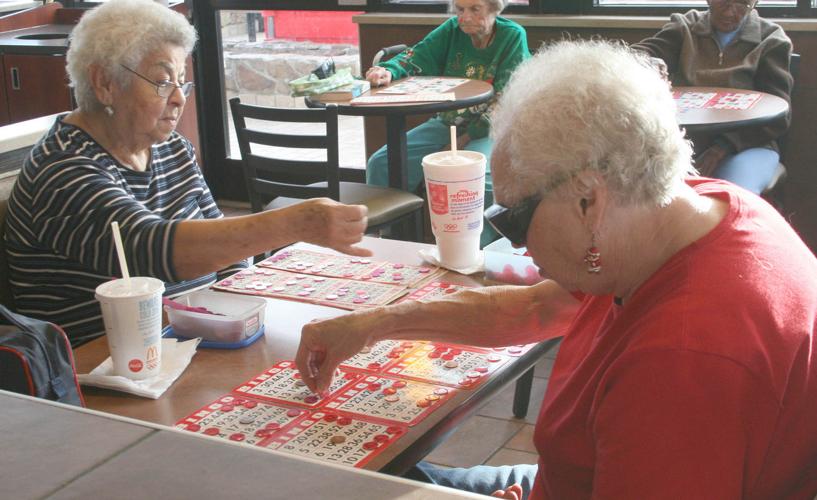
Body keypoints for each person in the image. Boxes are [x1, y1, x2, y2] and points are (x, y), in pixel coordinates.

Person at [296, 40, 817, 499]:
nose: (515, 242)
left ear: (589, 199)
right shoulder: (688, 210)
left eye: (515, 217)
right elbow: (536, 308)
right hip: (564, 479)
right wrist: (376, 324)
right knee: (372, 474)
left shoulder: (680, 363)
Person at [3, 0, 371, 347]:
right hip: (107, 368)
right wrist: (293, 224)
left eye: (182, 81)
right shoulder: (63, 168)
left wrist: (242, 310)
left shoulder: (171, 148)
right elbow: (153, 249)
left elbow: (226, 253)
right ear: (105, 84)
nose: (179, 97)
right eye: (163, 81)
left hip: (197, 340)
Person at [364, 0, 529, 247]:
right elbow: (416, 55)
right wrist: (387, 70)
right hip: (448, 122)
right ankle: (390, 242)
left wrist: (464, 139)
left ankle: (478, 250)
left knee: (477, 176)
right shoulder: (451, 30)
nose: (465, 17)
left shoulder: (512, 36)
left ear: (494, 9)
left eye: (475, 9)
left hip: (493, 128)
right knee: (381, 163)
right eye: (460, 9)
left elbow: (507, 99)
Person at [632, 0, 793, 194]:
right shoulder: (685, 26)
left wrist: (723, 146)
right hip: (682, 139)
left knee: (731, 195)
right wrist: (649, 60)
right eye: (723, 1)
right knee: (642, 188)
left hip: (747, 143)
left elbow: (779, 117)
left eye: (742, 4)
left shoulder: (771, 39)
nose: (729, 12)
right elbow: (635, 54)